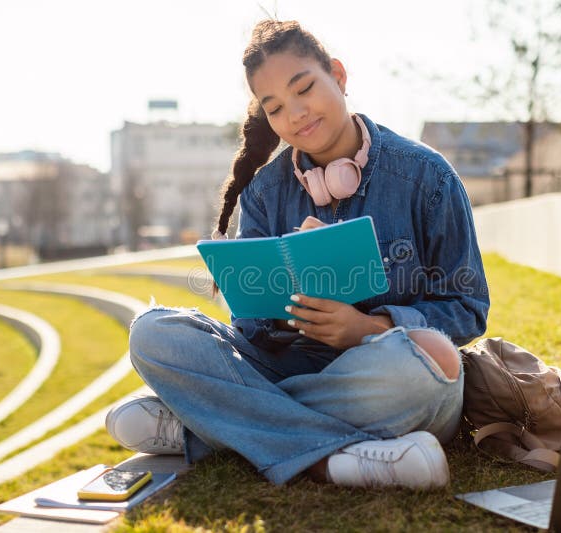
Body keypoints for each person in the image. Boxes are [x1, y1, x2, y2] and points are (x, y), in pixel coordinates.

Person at [105, 19, 489, 489]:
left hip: (384, 372)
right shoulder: (264, 192)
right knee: (152, 332)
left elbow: (468, 309)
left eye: (304, 89)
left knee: (431, 366)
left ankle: (205, 426)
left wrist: (367, 328)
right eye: (275, 108)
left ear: (339, 76)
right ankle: (334, 461)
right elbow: (249, 328)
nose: (296, 114)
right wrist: (283, 314)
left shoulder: (428, 177)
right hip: (293, 363)